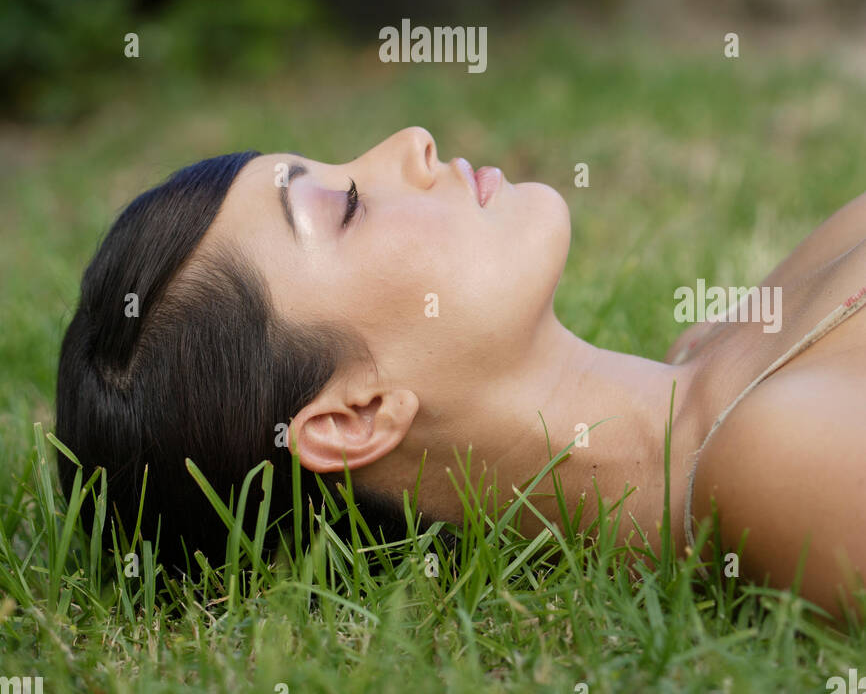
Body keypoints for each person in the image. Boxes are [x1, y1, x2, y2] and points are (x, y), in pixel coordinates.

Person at [56, 128, 866, 621]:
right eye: (346, 206)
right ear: (353, 418)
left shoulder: (726, 339)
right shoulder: (776, 458)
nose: (411, 142)